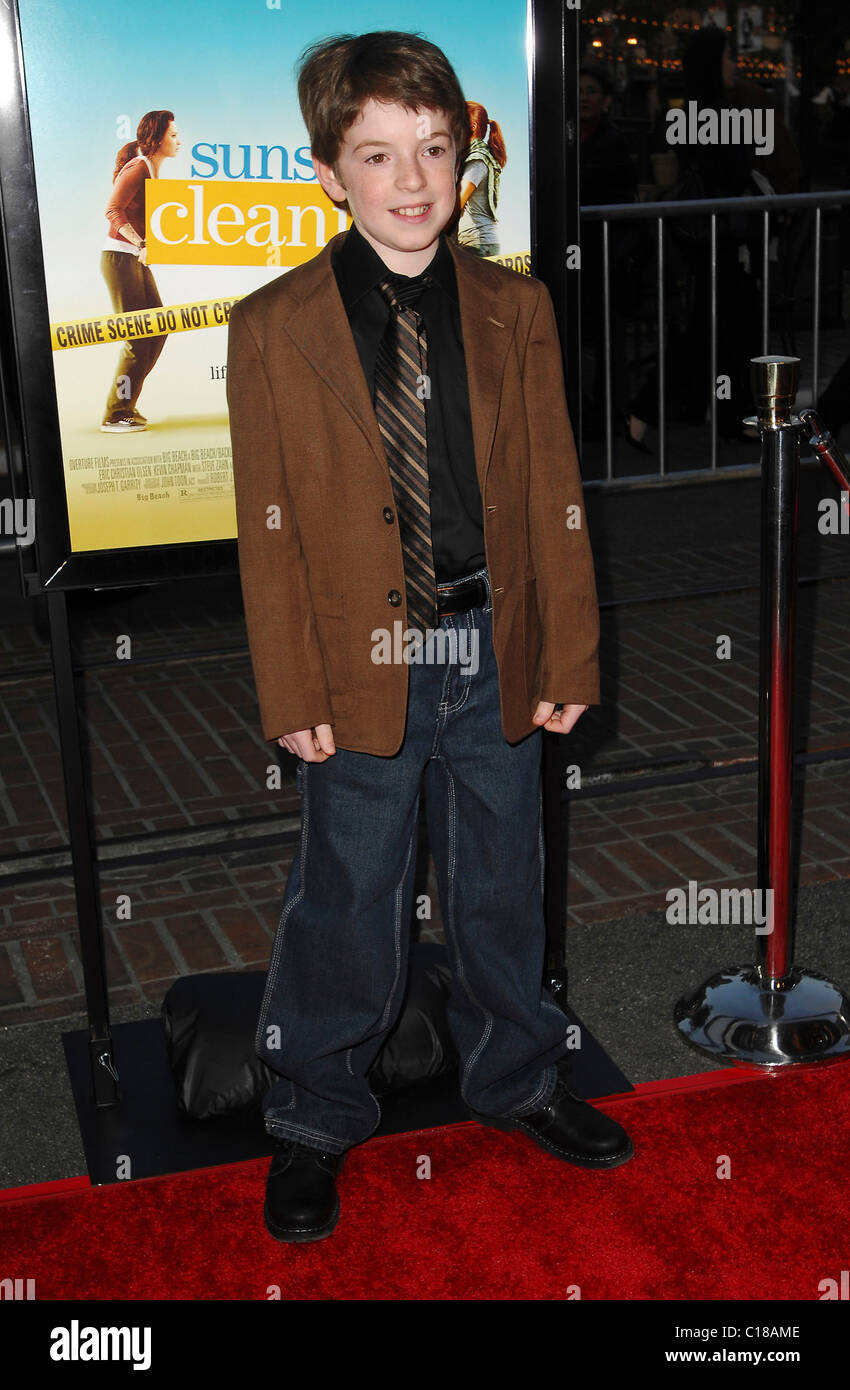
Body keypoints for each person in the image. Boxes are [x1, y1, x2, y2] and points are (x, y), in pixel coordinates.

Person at [226, 30, 633, 1246]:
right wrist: (292, 683)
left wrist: (566, 657)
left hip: (491, 643)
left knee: (502, 885)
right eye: (377, 155)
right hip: (356, 667)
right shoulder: (273, 324)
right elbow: (267, 532)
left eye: (434, 150)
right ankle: (311, 1117)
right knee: (345, 897)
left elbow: (555, 491)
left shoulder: (516, 308)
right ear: (325, 172)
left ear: (464, 158)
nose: (411, 181)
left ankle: (517, 1076)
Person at [100, 110, 180, 432]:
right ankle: (115, 413)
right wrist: (140, 241)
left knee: (158, 328)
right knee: (137, 338)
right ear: (158, 138)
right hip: (119, 258)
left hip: (133, 259)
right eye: (173, 135)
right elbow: (112, 210)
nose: (179, 140)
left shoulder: (152, 171)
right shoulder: (139, 167)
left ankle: (126, 403)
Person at [455, 101, 506, 256]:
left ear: (473, 126)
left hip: (477, 244)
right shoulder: (476, 157)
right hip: (476, 242)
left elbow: (458, 203)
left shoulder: (477, 160)